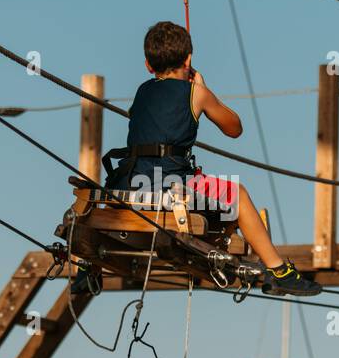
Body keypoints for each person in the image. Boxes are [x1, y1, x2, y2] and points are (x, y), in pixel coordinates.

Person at [98, 20, 321, 296]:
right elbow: (234, 128)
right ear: (188, 59)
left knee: (205, 188)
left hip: (133, 183)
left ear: (148, 65)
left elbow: (142, 119)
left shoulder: (142, 91)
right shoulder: (196, 93)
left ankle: (88, 265)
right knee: (237, 196)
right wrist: (203, 89)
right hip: (172, 187)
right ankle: (279, 271)